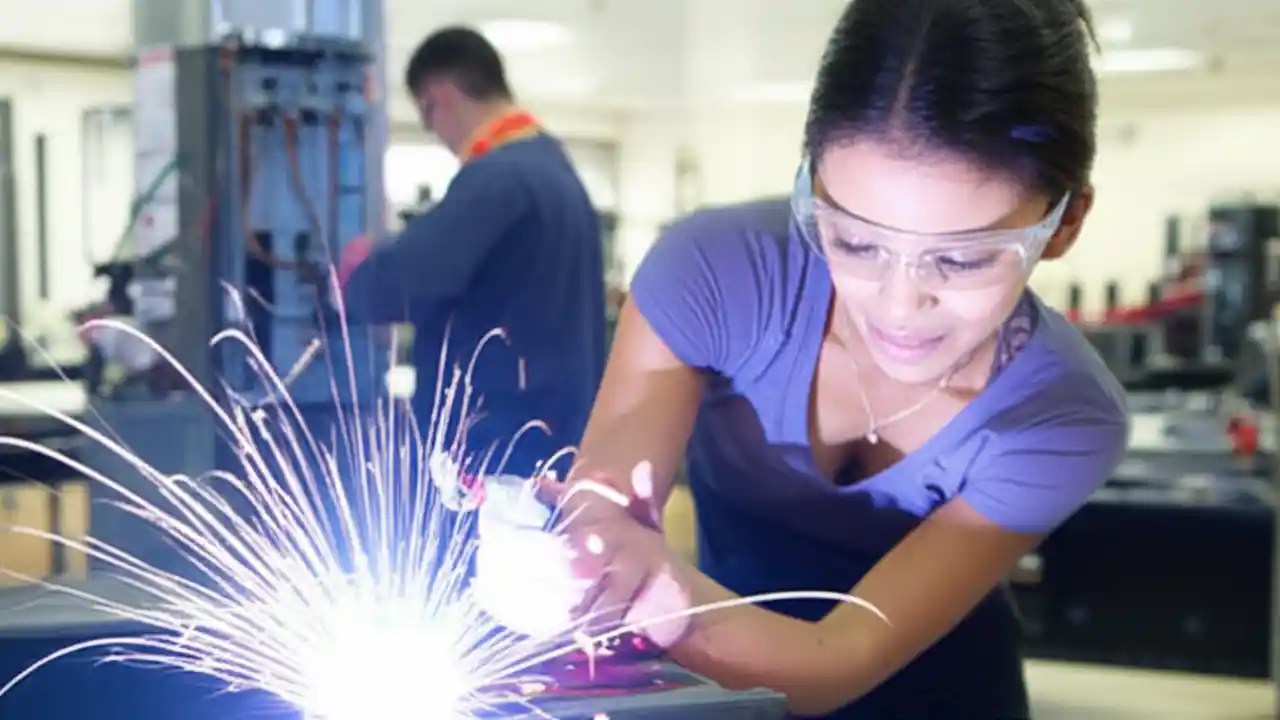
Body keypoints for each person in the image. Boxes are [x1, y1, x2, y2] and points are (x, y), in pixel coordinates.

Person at [478, 1, 1129, 717]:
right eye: (855, 241)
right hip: (726, 687)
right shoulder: (716, 274)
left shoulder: (1062, 415)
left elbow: (836, 661)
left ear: (1064, 222)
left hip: (944, 696)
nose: (899, 303)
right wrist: (573, 546)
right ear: (813, 186)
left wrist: (654, 598)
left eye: (963, 259)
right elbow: (605, 497)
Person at [340, 27, 606, 478]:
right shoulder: (556, 170)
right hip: (553, 442)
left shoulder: (498, 180)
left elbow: (399, 284)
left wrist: (358, 275)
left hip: (496, 459)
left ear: (437, 97)